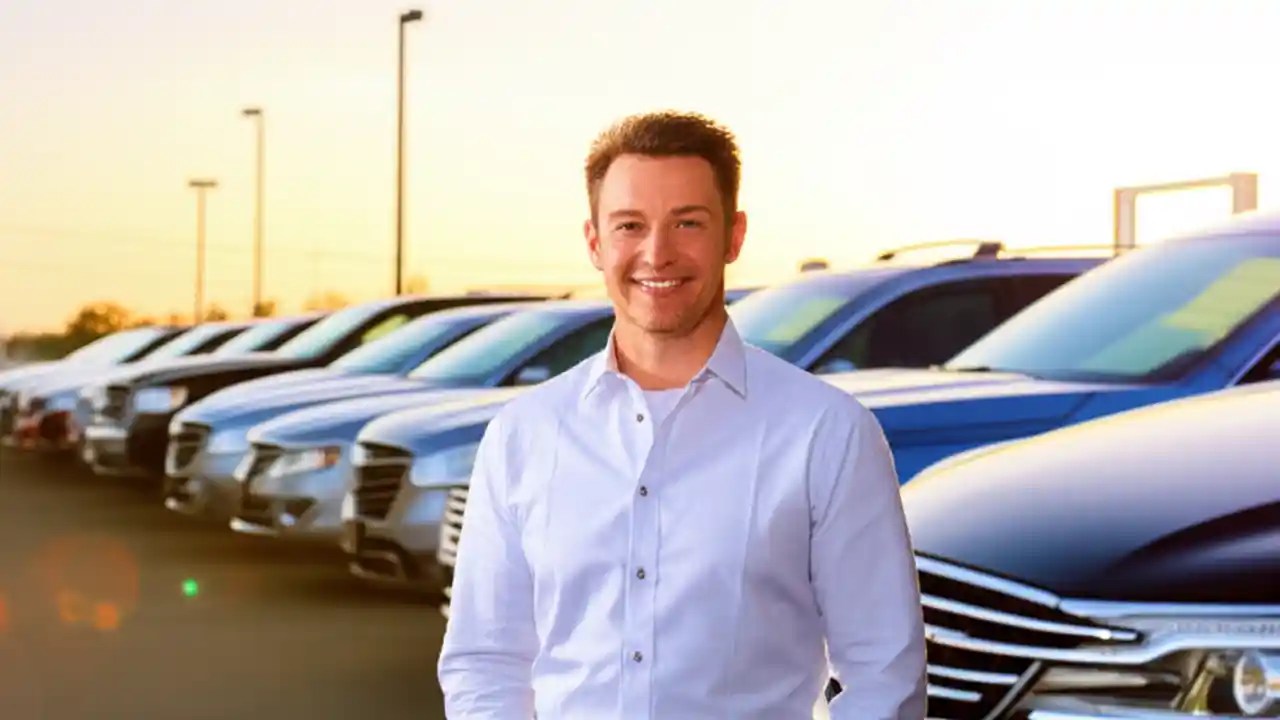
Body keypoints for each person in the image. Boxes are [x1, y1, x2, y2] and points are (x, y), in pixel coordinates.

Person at [438, 110, 927, 719]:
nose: (657, 253)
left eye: (688, 223)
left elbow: (883, 674)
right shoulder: (523, 436)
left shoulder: (826, 433)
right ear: (594, 241)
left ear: (734, 236)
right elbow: (485, 661)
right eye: (630, 226)